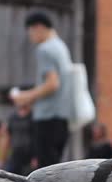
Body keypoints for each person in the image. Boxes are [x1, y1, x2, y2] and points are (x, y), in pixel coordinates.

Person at [12, 12, 72, 168]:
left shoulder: (45, 49)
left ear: (38, 27)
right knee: (56, 168)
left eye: (30, 32)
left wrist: (25, 96)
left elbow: (52, 84)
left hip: (47, 118)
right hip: (62, 118)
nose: (30, 36)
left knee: (46, 171)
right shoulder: (61, 47)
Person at [0, 92, 37, 176]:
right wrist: (2, 158)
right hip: (16, 152)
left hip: (29, 154)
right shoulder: (12, 118)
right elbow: (7, 137)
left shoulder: (33, 116)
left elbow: (37, 137)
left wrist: (36, 156)